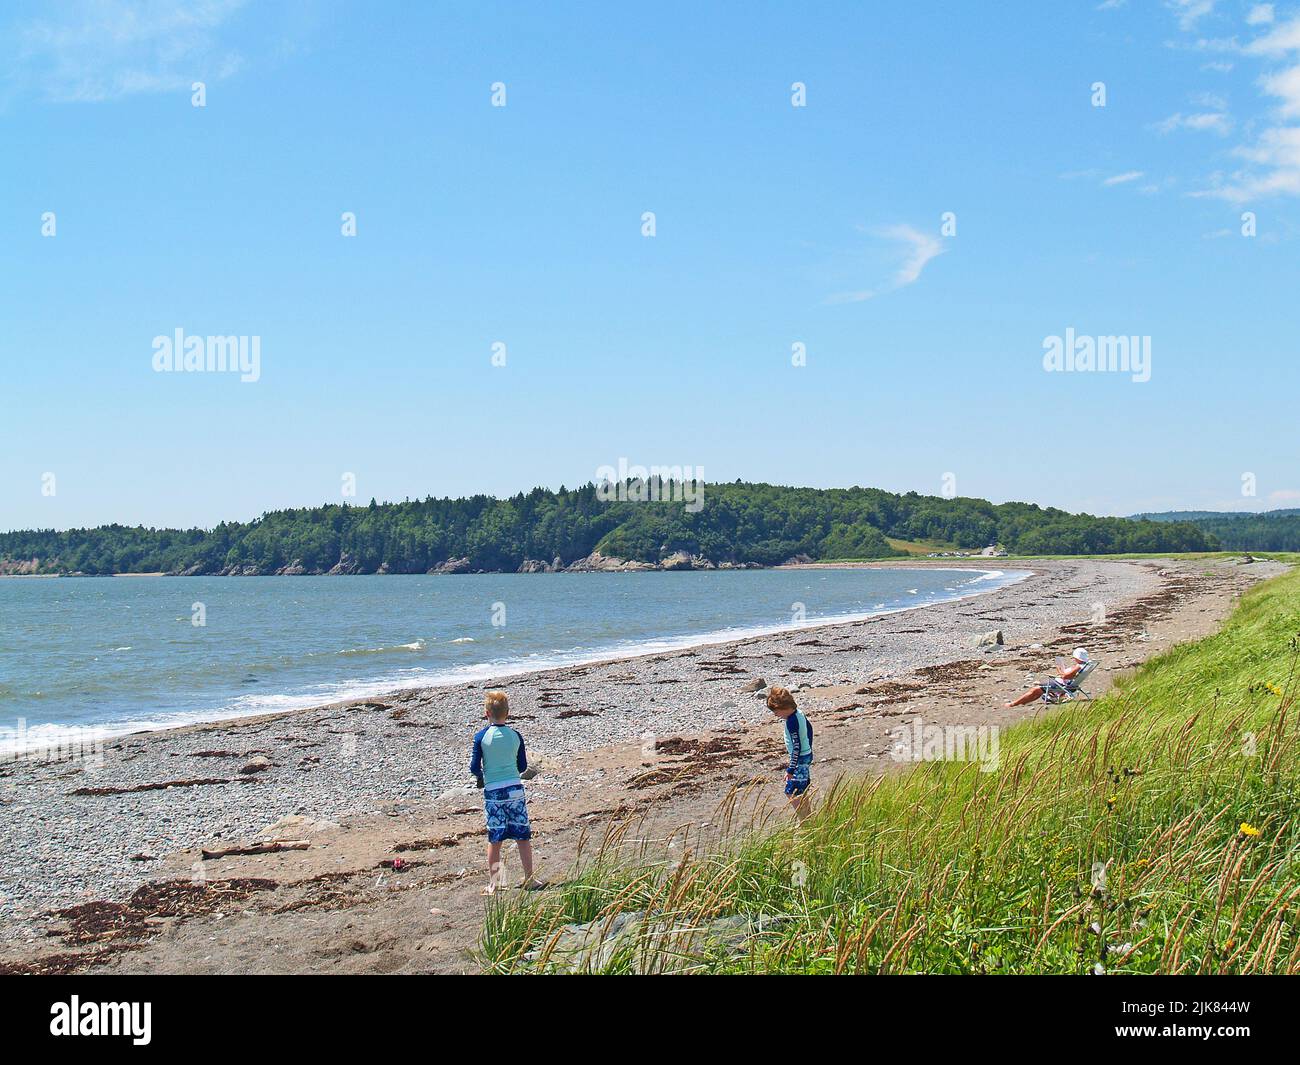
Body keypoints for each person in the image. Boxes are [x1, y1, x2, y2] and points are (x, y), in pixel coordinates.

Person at [469, 690, 545, 893]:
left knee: (495, 838)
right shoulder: (515, 736)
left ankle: (495, 882)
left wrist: (483, 774)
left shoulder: (481, 737)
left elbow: (474, 767)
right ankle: (530, 877)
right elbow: (522, 766)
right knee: (522, 835)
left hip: (493, 791)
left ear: (487, 713)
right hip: (514, 790)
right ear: (507, 713)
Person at [767, 686, 813, 822]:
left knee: (792, 791)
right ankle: (807, 818)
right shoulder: (799, 713)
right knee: (801, 790)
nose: (776, 715)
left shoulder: (792, 721)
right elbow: (810, 730)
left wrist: (790, 769)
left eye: (776, 712)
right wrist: (809, 750)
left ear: (783, 707)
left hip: (799, 759)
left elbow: (796, 746)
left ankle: (805, 820)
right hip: (805, 756)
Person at [1004, 647, 1090, 708]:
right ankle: (1024, 702)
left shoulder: (1078, 667)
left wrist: (1059, 669)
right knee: (1039, 688)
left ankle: (1014, 704)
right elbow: (1070, 676)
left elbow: (1064, 676)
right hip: (1069, 686)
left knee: (1036, 690)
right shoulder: (1085, 665)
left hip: (1062, 686)